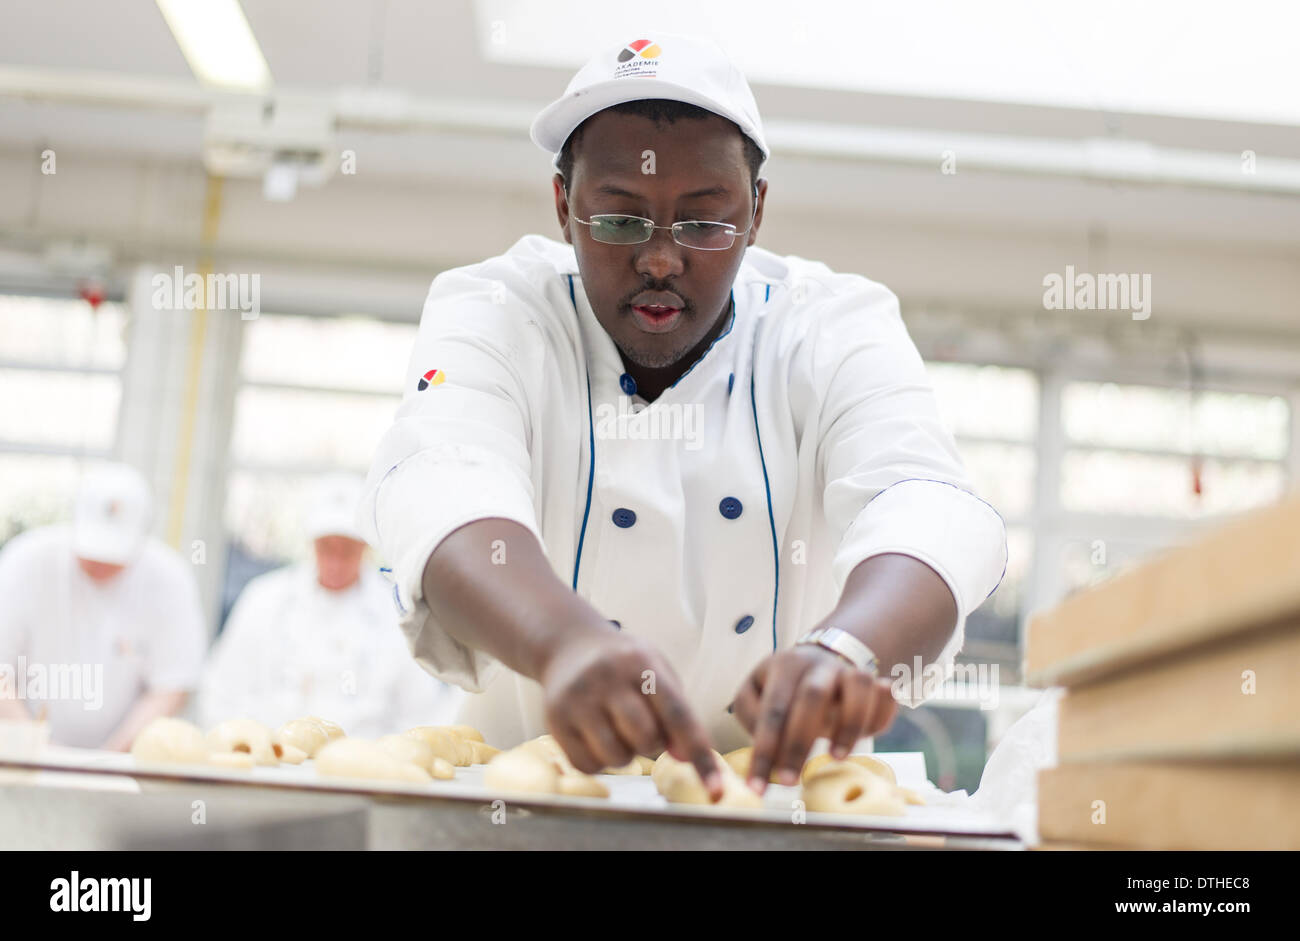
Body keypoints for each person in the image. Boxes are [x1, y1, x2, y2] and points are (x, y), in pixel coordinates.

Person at [359, 33, 1007, 798]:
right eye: (621, 221)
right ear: (564, 205)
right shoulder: (497, 310)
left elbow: (924, 504)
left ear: (757, 210)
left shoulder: (832, 325)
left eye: (705, 224)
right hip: (522, 804)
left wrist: (846, 650)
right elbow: (443, 484)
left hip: (766, 809)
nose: (661, 259)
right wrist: (563, 642)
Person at [198, 475, 460, 736]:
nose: (335, 561)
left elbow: (424, 715)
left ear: (365, 547)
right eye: (326, 548)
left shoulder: (399, 614)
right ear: (311, 544)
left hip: (360, 770)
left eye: (346, 549)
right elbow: (221, 694)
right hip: (270, 763)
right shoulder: (263, 600)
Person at [0, 463, 206, 750]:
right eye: (92, 551)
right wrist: (38, 749)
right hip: (22, 748)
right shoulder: (25, 561)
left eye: (114, 555)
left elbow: (172, 686)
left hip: (124, 760)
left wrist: (109, 760)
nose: (101, 563)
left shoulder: (170, 579)